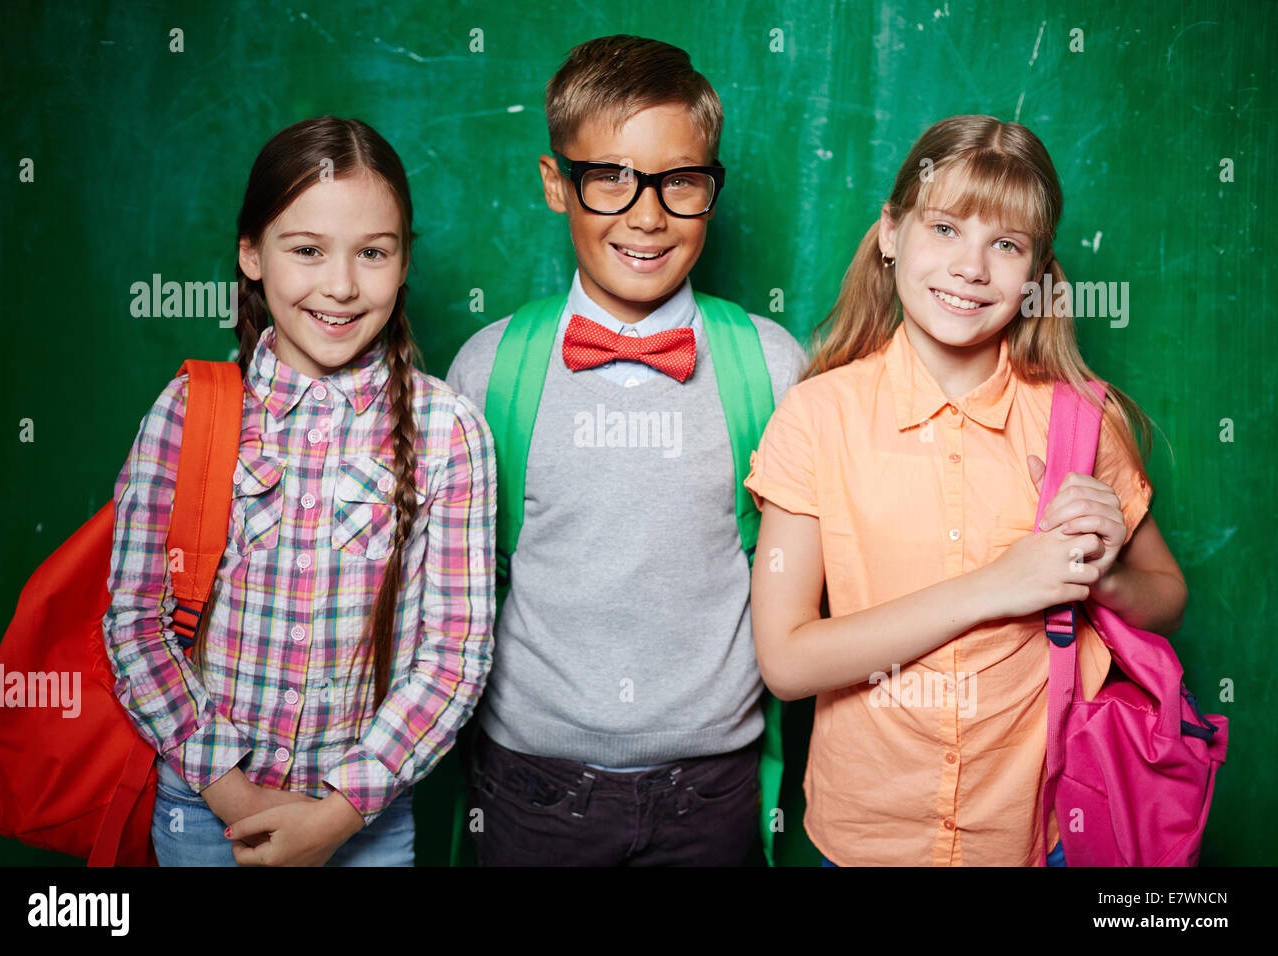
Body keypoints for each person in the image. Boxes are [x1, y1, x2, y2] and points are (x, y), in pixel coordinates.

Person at [745, 114, 1187, 866]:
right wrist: (996, 586)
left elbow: (1167, 598)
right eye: (945, 229)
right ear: (891, 233)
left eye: (1006, 245)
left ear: (1037, 273)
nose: (971, 268)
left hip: (1040, 837)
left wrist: (1103, 574)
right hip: (866, 840)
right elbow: (785, 662)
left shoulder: (1083, 420)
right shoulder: (817, 416)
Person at [446, 35, 805, 866]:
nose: (647, 216)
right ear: (555, 183)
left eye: (680, 182)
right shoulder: (490, 368)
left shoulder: (772, 366)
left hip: (712, 793)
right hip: (529, 790)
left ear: (711, 188)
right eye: (609, 176)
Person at [103, 116, 496, 866]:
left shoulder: (449, 431)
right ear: (252, 253)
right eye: (308, 250)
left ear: (404, 261)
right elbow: (136, 623)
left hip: (366, 825)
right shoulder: (190, 412)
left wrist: (339, 816)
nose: (341, 285)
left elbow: (454, 655)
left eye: (372, 252)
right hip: (203, 814)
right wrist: (234, 797)